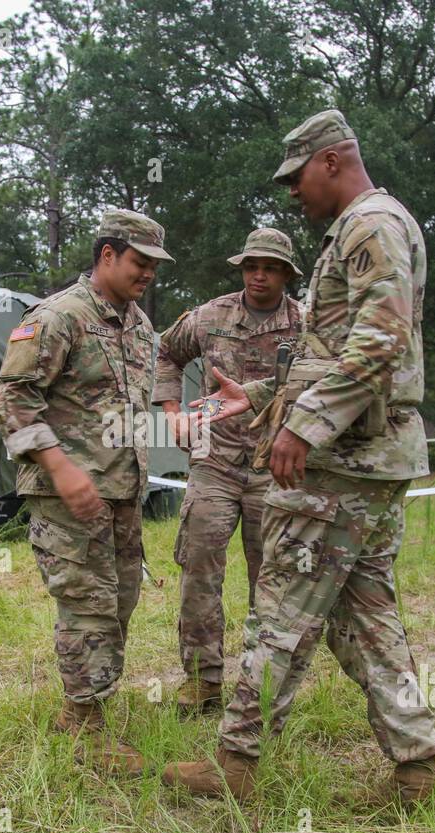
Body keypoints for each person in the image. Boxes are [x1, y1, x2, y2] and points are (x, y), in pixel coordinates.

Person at [161, 110, 435, 803]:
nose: (293, 193)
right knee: (366, 616)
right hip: (371, 457)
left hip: (342, 463)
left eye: (296, 178)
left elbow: (380, 341)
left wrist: (304, 427)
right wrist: (261, 396)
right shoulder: (361, 228)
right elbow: (331, 354)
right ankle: (416, 769)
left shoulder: (368, 224)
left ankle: (236, 764)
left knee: (280, 609)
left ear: (330, 160)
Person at [0, 209, 173, 775]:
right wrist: (60, 466)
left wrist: (189, 425)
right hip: (64, 493)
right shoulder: (57, 317)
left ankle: (84, 710)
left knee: (119, 602)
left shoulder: (141, 328)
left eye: (154, 266)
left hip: (121, 494)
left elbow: (132, 418)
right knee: (85, 602)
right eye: (140, 262)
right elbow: (13, 399)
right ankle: (87, 728)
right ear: (107, 255)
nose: (147, 275)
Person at [153, 228, 302, 715]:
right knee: (199, 570)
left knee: (273, 580)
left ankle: (261, 685)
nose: (259, 275)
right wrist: (173, 412)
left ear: (286, 274)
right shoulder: (210, 315)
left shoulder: (307, 324)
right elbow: (166, 353)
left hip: (274, 468)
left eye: (271, 267)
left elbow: (328, 381)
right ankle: (202, 680)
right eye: (251, 265)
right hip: (213, 463)